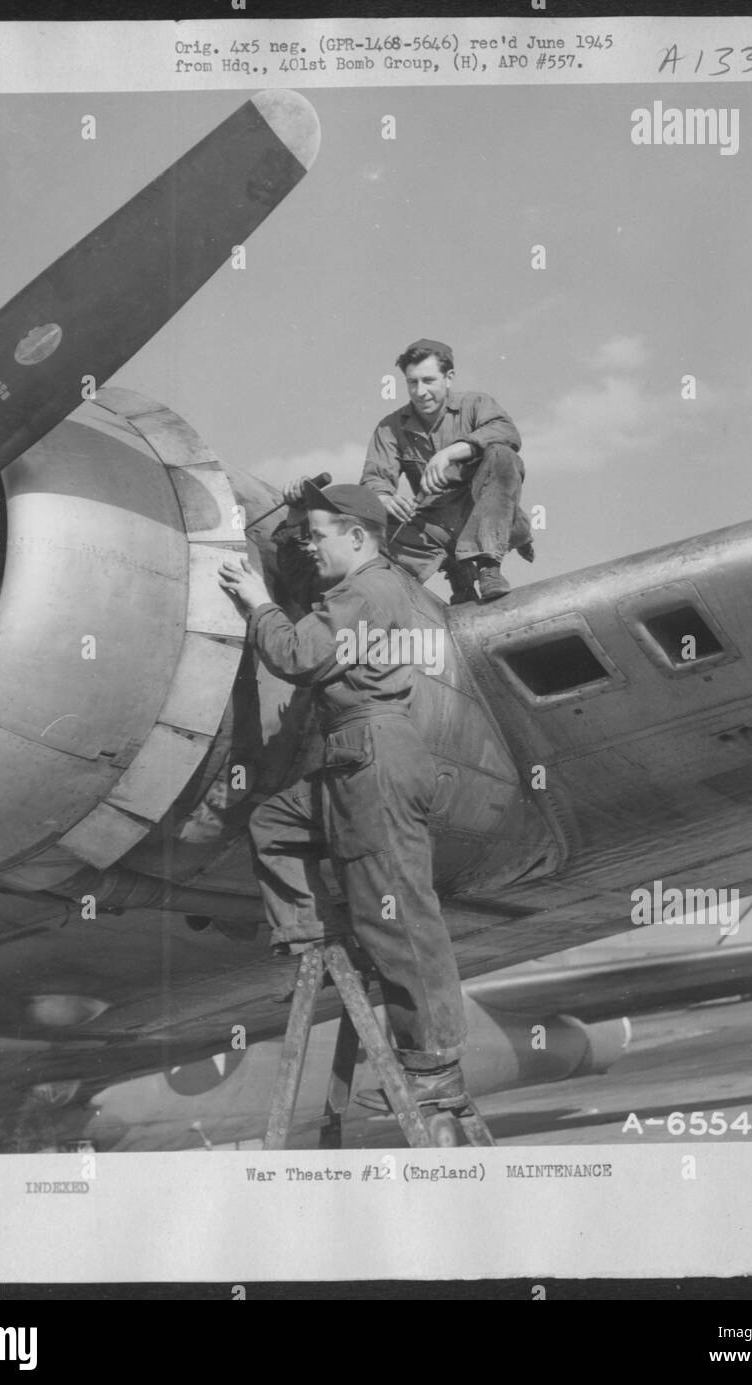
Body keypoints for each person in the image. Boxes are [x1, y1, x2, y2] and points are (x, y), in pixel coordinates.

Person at [217, 481, 468, 1109]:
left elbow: (299, 653)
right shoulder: (363, 586)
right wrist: (289, 523)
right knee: (275, 822)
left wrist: (255, 601)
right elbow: (312, 598)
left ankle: (434, 1069)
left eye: (320, 535)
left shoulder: (366, 590)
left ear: (356, 537)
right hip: (353, 753)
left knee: (398, 916)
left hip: (373, 756)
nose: (311, 546)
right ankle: (314, 946)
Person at [361, 338, 533, 603]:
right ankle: (456, 569)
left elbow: (506, 432)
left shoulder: (476, 403)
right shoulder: (390, 427)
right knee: (364, 527)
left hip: (488, 512)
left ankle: (488, 565)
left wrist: (449, 454)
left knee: (503, 456)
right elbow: (375, 480)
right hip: (434, 522)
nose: (420, 392)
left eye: (429, 381)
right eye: (412, 382)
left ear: (449, 377)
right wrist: (384, 499)